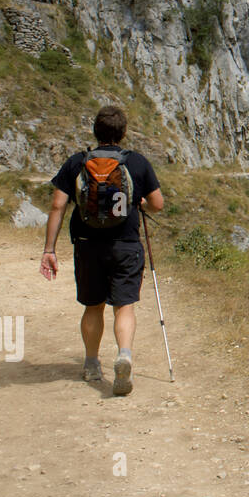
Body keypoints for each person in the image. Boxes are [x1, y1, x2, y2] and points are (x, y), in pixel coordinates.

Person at [40, 105, 164, 396]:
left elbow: (58, 205)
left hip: (87, 246)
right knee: (124, 305)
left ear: (95, 132)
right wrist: (140, 203)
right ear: (123, 133)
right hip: (126, 246)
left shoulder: (77, 163)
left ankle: (92, 363)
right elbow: (157, 204)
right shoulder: (136, 162)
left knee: (92, 306)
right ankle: (124, 355)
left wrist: (49, 249)